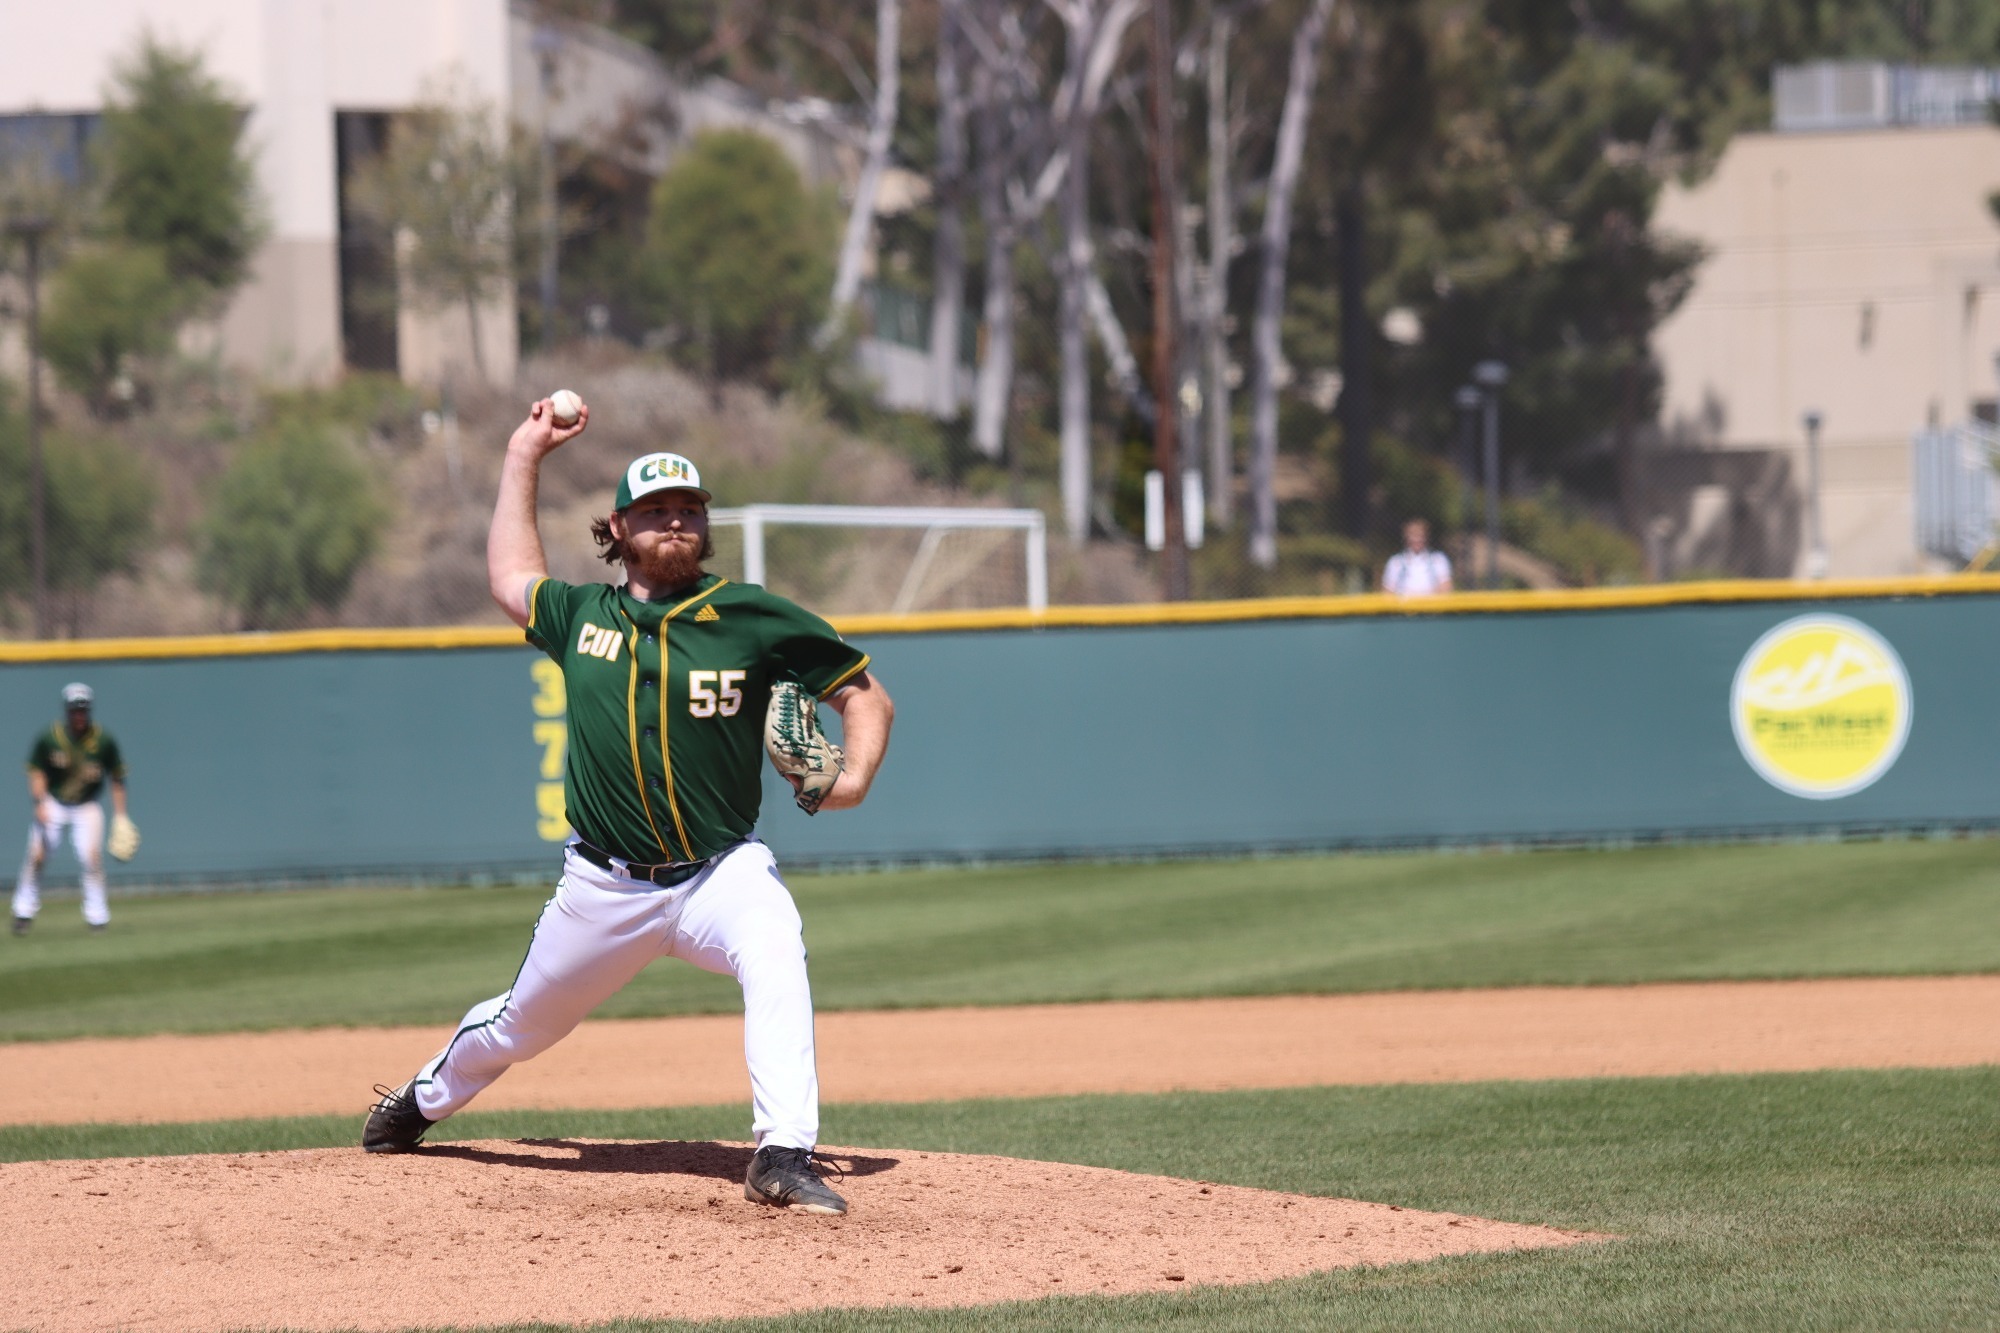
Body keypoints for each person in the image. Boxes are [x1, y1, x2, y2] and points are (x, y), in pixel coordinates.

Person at [363, 397, 895, 1218]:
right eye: (656, 510)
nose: (677, 520)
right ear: (617, 527)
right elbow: (509, 577)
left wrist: (852, 778)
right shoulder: (583, 617)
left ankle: (782, 1151)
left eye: (690, 509)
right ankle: (421, 1100)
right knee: (520, 1026)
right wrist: (523, 453)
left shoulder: (750, 617)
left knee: (776, 942)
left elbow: (866, 696)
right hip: (605, 887)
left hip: (721, 867)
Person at [14, 682, 133, 935]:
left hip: (86, 805)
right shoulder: (50, 737)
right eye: (74, 709)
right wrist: (39, 802)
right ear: (66, 710)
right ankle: (23, 912)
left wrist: (121, 816)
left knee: (92, 859)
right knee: (37, 856)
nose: (78, 715)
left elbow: (118, 778)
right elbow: (36, 771)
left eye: (83, 709)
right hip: (54, 802)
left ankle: (97, 917)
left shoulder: (103, 740)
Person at [1381, 518, 1453, 596]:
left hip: (1431, 605)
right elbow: (1387, 590)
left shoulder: (1438, 559)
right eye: (1413, 535)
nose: (1417, 539)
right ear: (1406, 537)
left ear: (1426, 537)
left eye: (1420, 535)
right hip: (1403, 606)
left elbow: (1446, 587)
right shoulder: (1395, 562)